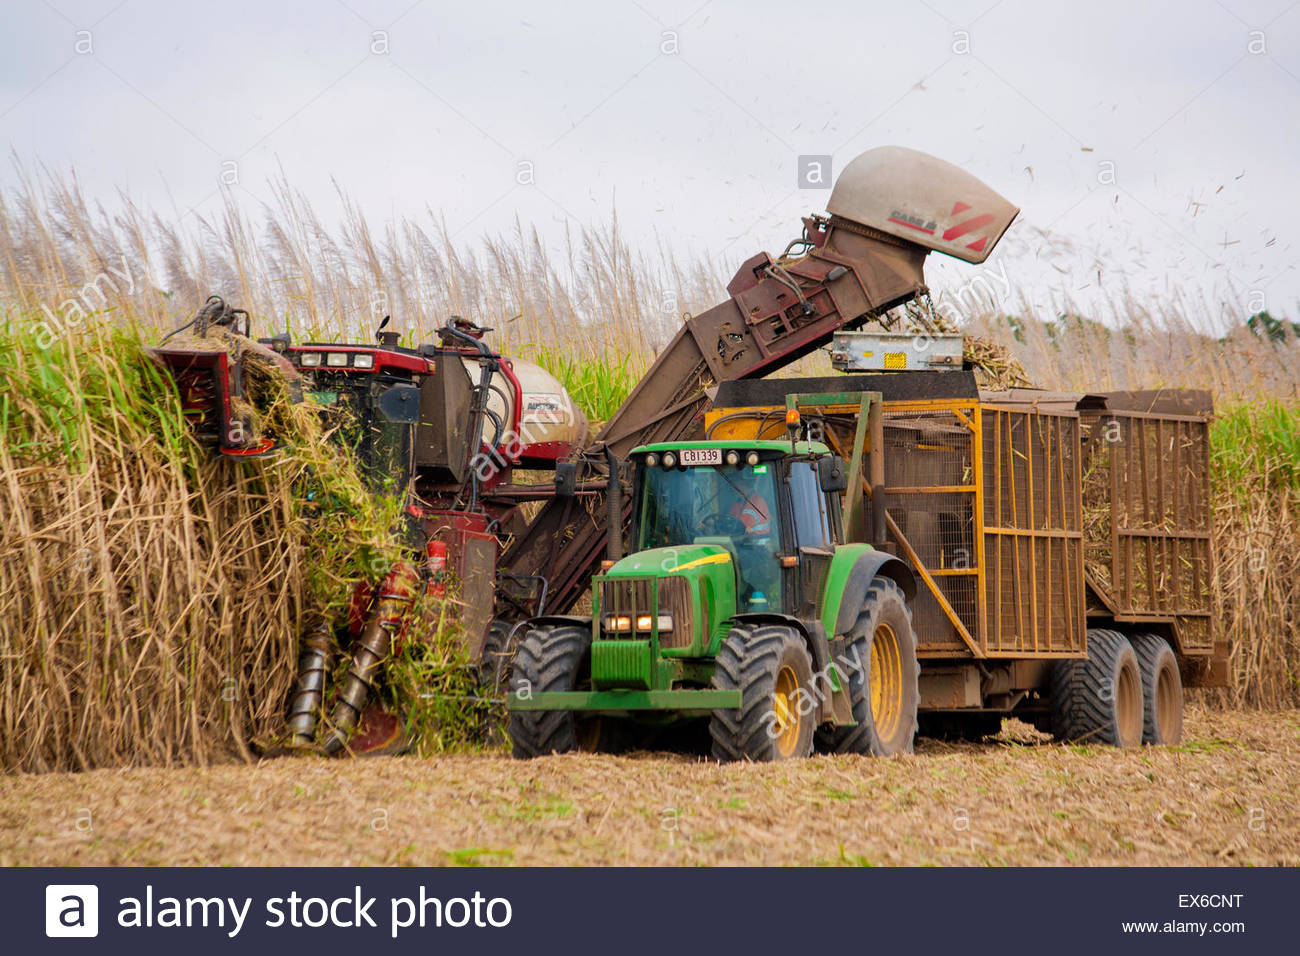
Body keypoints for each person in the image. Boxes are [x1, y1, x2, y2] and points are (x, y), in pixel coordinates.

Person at [728, 470, 772, 535]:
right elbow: (730, 522)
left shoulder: (756, 503)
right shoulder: (737, 503)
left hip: (757, 541)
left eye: (734, 483)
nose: (731, 488)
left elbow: (740, 528)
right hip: (744, 539)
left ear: (742, 483)